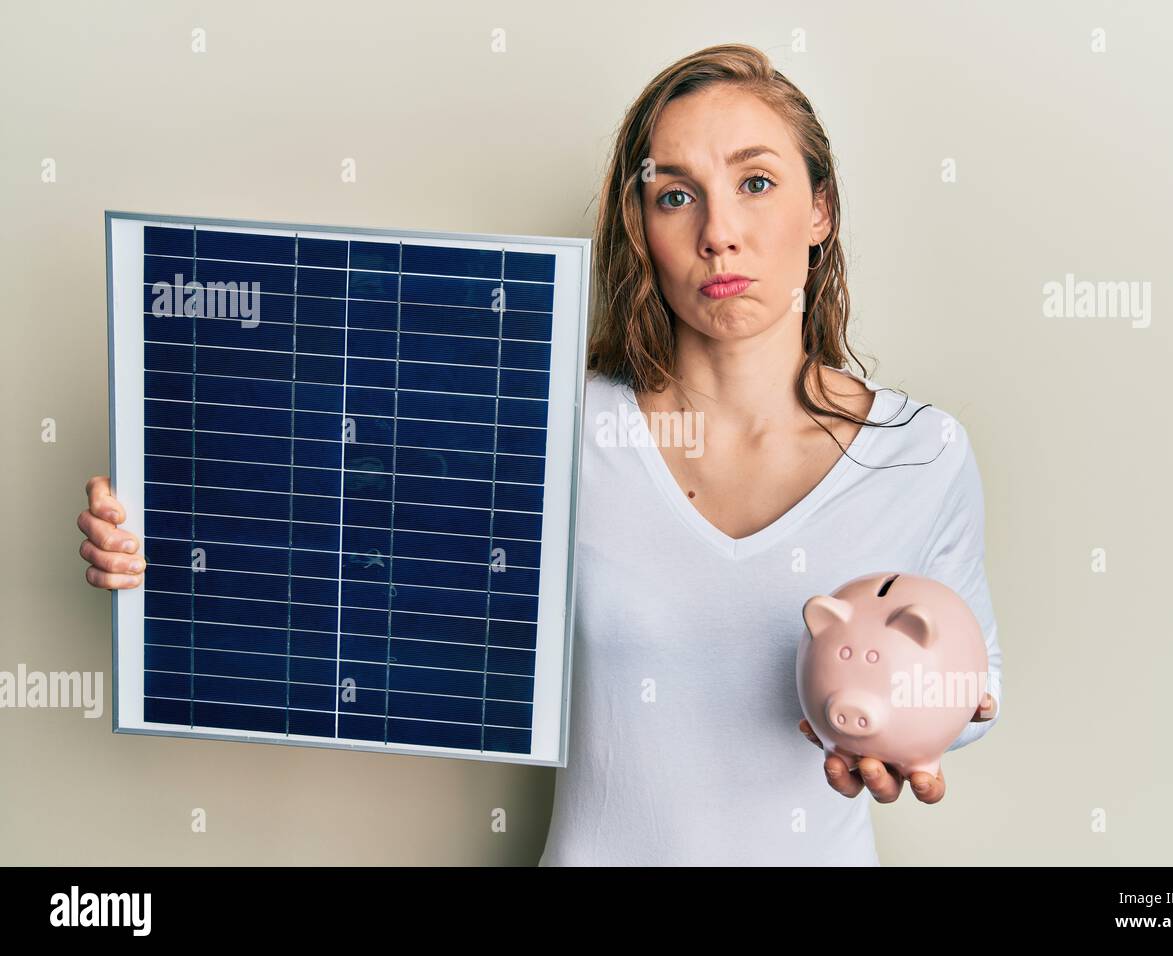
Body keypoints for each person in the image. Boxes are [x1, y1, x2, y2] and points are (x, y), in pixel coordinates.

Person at [77, 43, 1002, 865]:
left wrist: (916, 739)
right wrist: (164, 550)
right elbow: (346, 549)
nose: (718, 230)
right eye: (676, 194)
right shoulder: (559, 428)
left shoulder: (921, 455)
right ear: (643, 229)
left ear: (820, 209)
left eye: (756, 182)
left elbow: (975, 681)